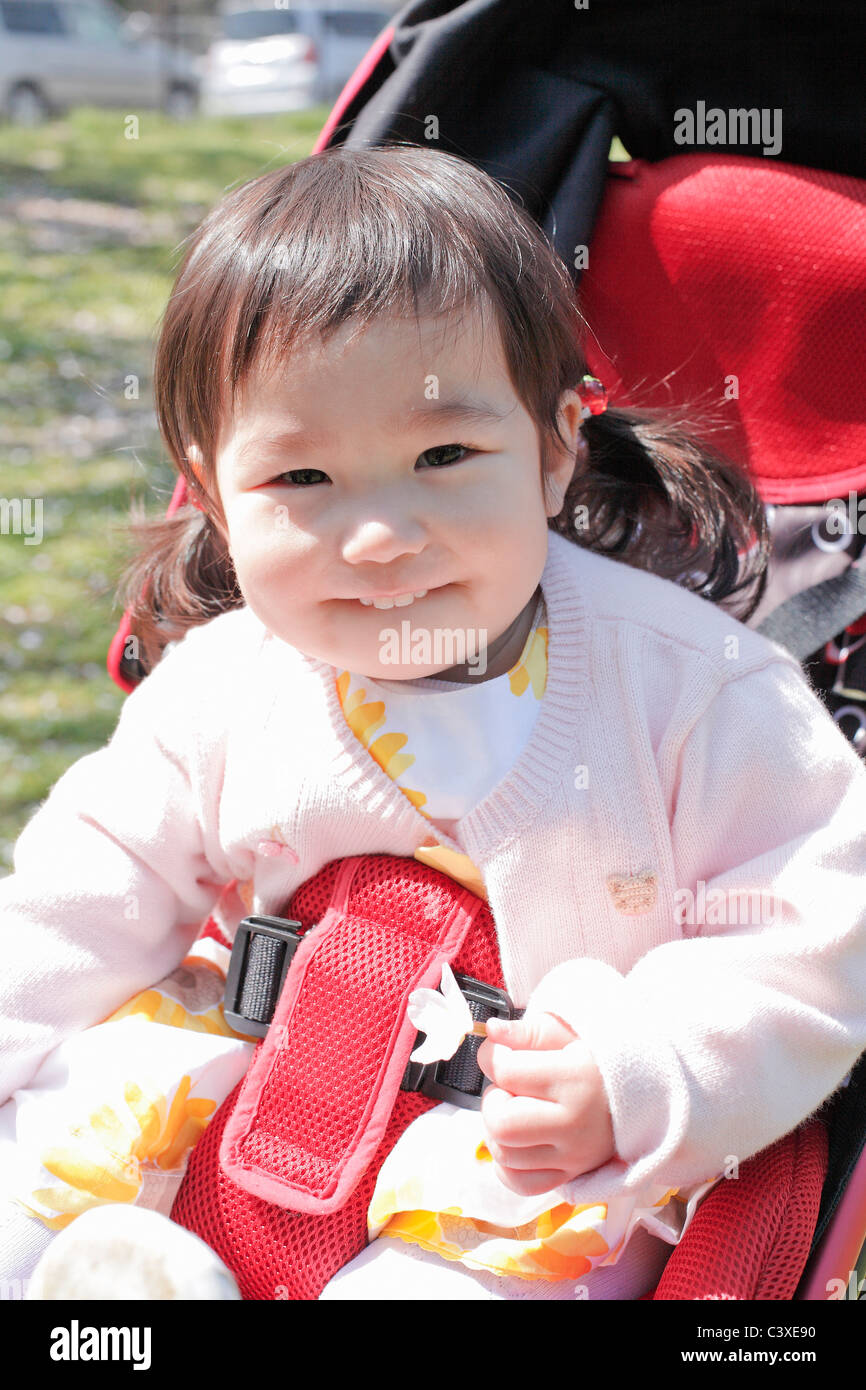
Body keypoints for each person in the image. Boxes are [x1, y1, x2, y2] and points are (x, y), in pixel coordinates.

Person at [1, 143, 865, 1301]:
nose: (378, 537)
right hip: (252, 1089)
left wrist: (636, 1066)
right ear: (210, 491)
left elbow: (814, 925)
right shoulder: (224, 682)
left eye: (443, 457)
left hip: (519, 1156)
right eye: (301, 481)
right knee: (52, 1168)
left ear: (558, 445)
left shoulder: (694, 687)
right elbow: (79, 897)